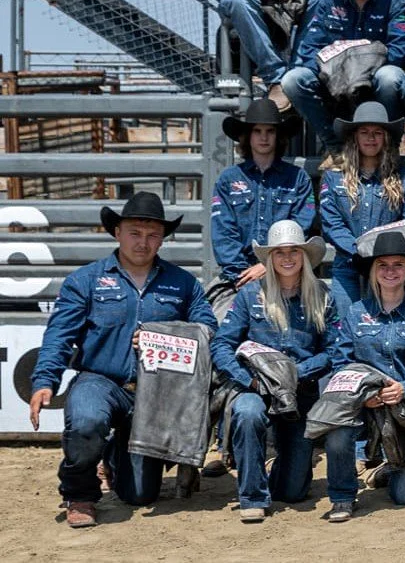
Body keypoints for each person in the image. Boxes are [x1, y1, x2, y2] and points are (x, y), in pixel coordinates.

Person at [30, 193, 212, 528]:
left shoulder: (184, 283)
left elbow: (207, 329)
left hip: (155, 393)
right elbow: (58, 336)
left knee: (140, 495)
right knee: (86, 422)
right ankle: (80, 493)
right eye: (134, 233)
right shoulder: (85, 280)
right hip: (100, 380)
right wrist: (44, 381)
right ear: (117, 232)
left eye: (153, 235)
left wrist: (165, 335)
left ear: (163, 238)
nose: (143, 242)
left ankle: (114, 456)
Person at [211, 221, 333, 522]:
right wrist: (248, 379)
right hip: (255, 386)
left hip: (300, 391)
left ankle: (271, 472)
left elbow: (335, 350)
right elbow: (222, 345)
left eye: (294, 251)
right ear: (269, 258)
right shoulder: (249, 295)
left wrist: (296, 372)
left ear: (304, 255)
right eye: (279, 252)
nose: (287, 258)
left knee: (293, 492)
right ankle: (252, 495)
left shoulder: (322, 296)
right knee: (248, 413)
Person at [319, 230, 405, 522]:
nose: (390, 271)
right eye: (382, 265)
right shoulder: (355, 313)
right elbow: (341, 360)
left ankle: (391, 468)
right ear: (373, 271)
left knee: (404, 496)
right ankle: (342, 497)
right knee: (337, 434)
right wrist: (363, 394)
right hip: (363, 405)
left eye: (398, 264)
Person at [281, 0, 405, 151]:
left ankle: (387, 147)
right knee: (293, 79)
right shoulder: (330, 0)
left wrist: (361, 71)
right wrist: (332, 72)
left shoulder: (394, 0)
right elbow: (310, 48)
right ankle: (336, 145)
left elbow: (400, 48)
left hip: (375, 78)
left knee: (390, 77)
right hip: (334, 77)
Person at [210, 98, 314, 299]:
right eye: (257, 131)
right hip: (238, 280)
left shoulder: (298, 179)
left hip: (287, 275)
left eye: (270, 131)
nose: (263, 137)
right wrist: (243, 277)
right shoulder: (228, 179)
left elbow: (298, 230)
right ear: (248, 136)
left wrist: (268, 266)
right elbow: (223, 233)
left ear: (279, 136)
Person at [317, 102, 405, 308]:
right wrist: (359, 251)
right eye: (364, 132)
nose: (371, 138)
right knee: (345, 330)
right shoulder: (333, 178)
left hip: (390, 269)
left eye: (377, 132)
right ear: (355, 136)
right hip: (348, 266)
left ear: (386, 137)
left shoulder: (404, 176)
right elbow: (331, 224)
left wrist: (382, 253)